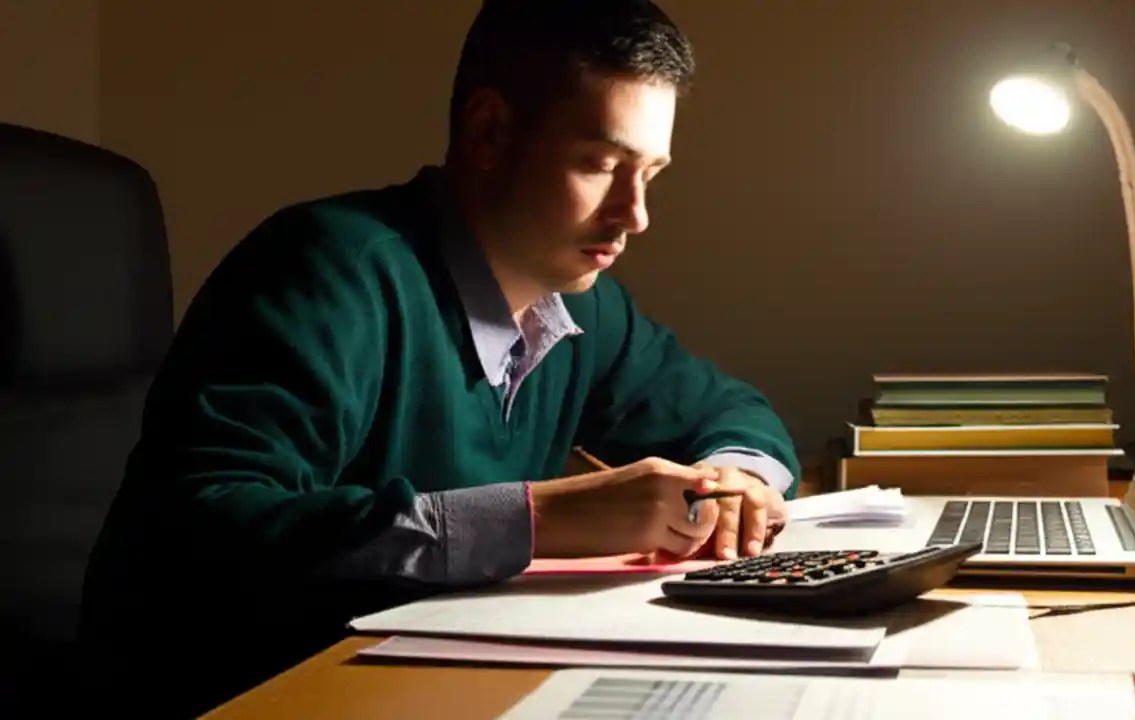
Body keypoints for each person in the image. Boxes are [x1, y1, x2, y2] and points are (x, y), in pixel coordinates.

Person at [79, 0, 799, 714]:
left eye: (651, 173)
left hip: (432, 691)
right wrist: (543, 521)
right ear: (489, 132)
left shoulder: (583, 303)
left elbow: (734, 413)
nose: (634, 214)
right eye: (598, 164)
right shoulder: (329, 270)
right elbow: (205, 530)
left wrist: (733, 482)